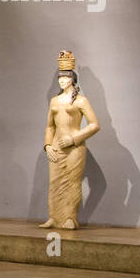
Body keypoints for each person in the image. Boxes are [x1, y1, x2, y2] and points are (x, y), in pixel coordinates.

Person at [42, 51, 100, 230]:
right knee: (54, 182)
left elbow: (94, 125)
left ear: (72, 80)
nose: (62, 81)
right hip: (57, 145)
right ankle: (53, 216)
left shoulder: (81, 101)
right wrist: (47, 145)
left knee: (72, 181)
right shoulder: (54, 101)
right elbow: (50, 126)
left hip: (74, 147)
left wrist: (74, 138)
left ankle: (70, 217)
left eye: (65, 78)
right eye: (60, 78)